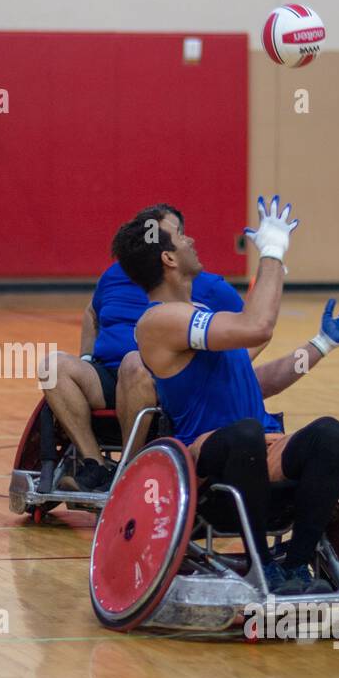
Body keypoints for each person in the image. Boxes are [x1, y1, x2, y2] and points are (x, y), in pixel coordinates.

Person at [116, 195, 339, 595]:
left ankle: (296, 567)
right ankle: (261, 565)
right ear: (167, 259)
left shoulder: (201, 314)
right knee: (245, 433)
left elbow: (254, 379)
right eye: (180, 236)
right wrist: (272, 251)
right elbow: (259, 327)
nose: (190, 240)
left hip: (259, 450)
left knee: (330, 434)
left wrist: (321, 344)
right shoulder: (158, 321)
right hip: (205, 465)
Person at [40, 203, 248, 492]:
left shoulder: (204, 283)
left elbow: (249, 326)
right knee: (52, 366)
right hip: (106, 375)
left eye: (165, 231)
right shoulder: (114, 274)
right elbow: (91, 313)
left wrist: (223, 371)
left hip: (162, 379)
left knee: (134, 362)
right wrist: (86, 357)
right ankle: (94, 464)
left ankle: (127, 468)